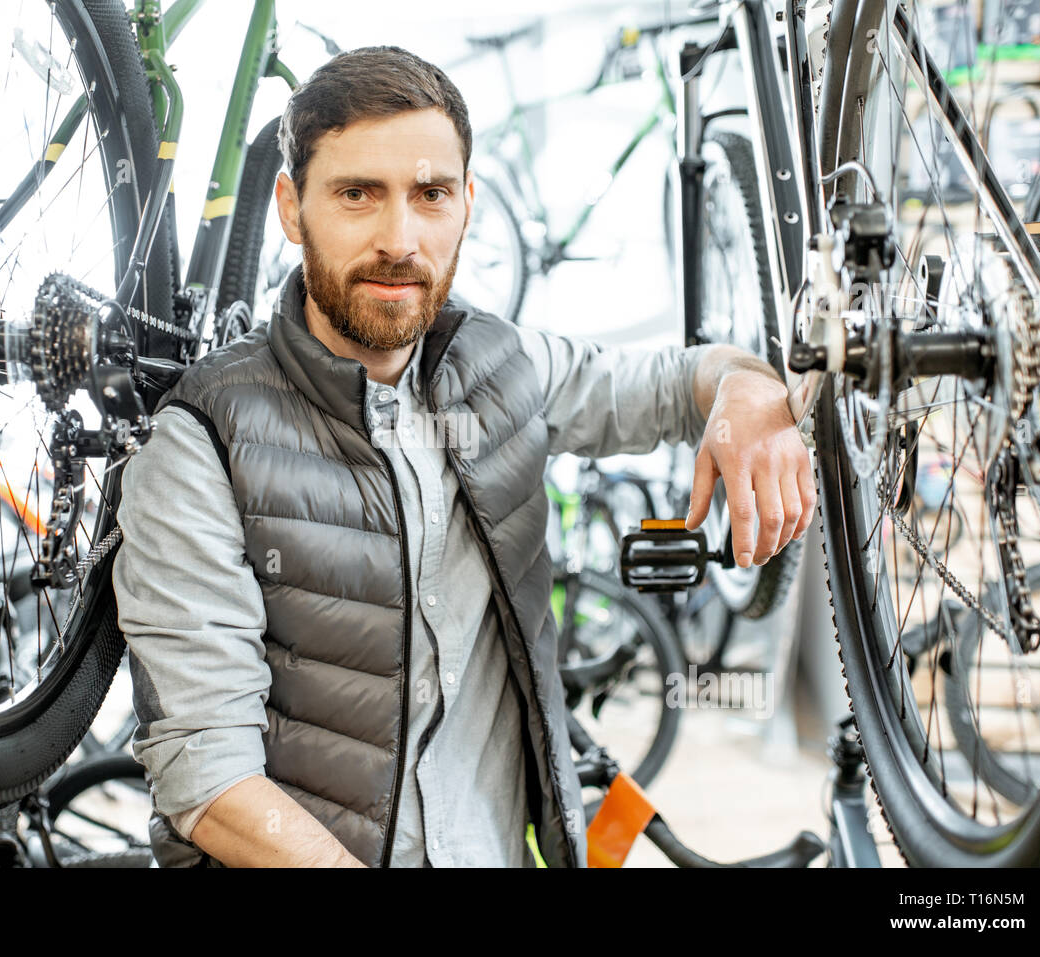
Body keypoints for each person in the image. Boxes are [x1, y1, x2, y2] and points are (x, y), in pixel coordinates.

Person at [112, 45, 815, 868]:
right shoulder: (201, 442)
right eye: (357, 195)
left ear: (468, 204)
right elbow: (210, 779)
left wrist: (746, 392)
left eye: (431, 195)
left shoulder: (503, 366)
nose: (399, 239)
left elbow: (670, 384)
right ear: (291, 208)